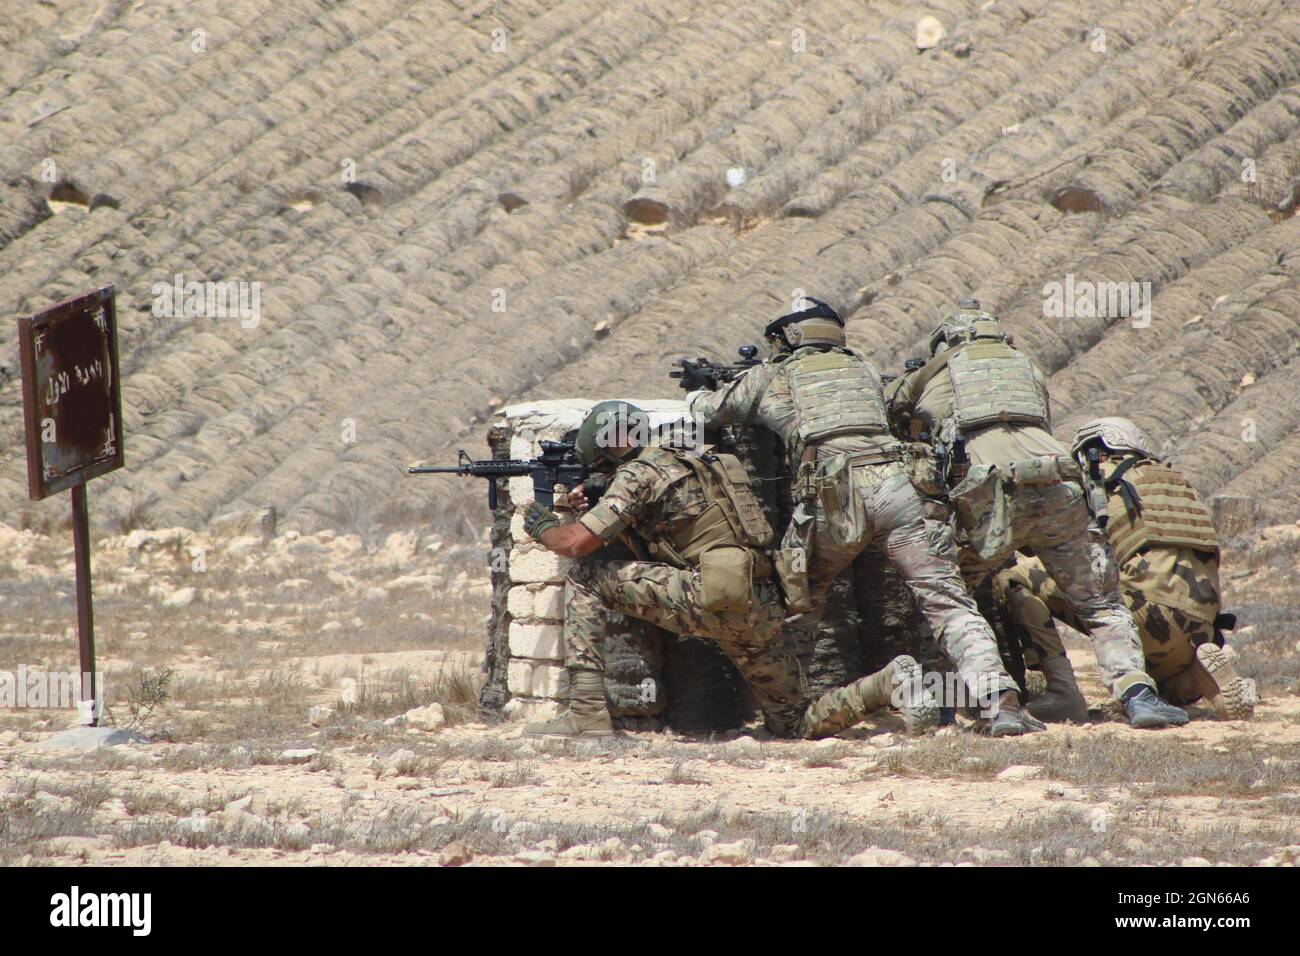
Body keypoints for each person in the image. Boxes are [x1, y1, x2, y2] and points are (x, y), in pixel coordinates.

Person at [685, 298, 1039, 736]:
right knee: (947, 601)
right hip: (901, 487)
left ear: (787, 338)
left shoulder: (771, 374)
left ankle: (790, 712)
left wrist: (699, 388)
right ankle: (1001, 702)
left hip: (835, 497)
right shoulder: (866, 369)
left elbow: (708, 411)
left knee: (799, 602)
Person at [519, 400, 935, 740]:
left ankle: (588, 717)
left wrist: (541, 522)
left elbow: (575, 545)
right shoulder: (704, 462)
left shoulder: (638, 474)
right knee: (794, 723)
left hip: (710, 598)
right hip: (759, 602)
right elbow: (675, 532)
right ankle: (889, 683)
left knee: (586, 579)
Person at [887, 299, 1188, 729]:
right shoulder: (1026, 366)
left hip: (986, 497)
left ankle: (999, 703)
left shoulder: (934, 372)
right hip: (1057, 484)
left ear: (946, 342)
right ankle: (1138, 696)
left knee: (954, 602)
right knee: (1101, 604)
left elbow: (896, 411)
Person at [995, 417, 1253, 721]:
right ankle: (1195, 676)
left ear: (1091, 450)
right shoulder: (1177, 484)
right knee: (1159, 688)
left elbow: (1040, 542)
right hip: (1203, 630)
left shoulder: (1097, 481)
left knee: (1012, 579)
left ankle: (1062, 692)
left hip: (1147, 620)